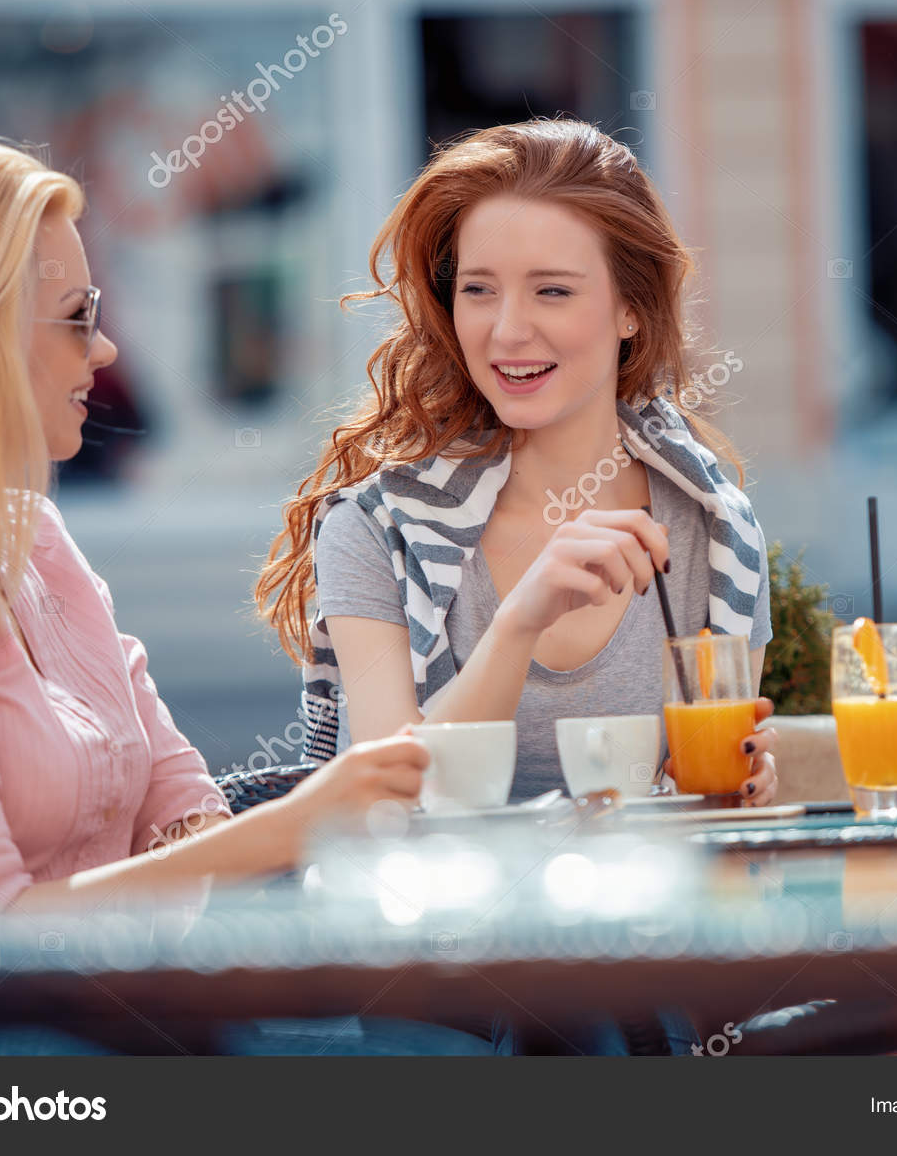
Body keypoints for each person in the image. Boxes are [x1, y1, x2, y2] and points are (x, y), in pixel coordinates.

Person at [0, 140, 484, 1056]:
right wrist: (289, 827)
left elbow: (176, 791)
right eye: (75, 315)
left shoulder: (36, 540)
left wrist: (239, 843)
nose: (103, 350)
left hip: (98, 1012)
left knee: (445, 1045)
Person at [256, 119, 779, 809]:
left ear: (631, 310)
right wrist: (517, 624)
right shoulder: (376, 529)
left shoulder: (712, 532)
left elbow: (709, 809)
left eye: (552, 290)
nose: (506, 330)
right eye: (478, 289)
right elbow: (378, 804)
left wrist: (746, 788)